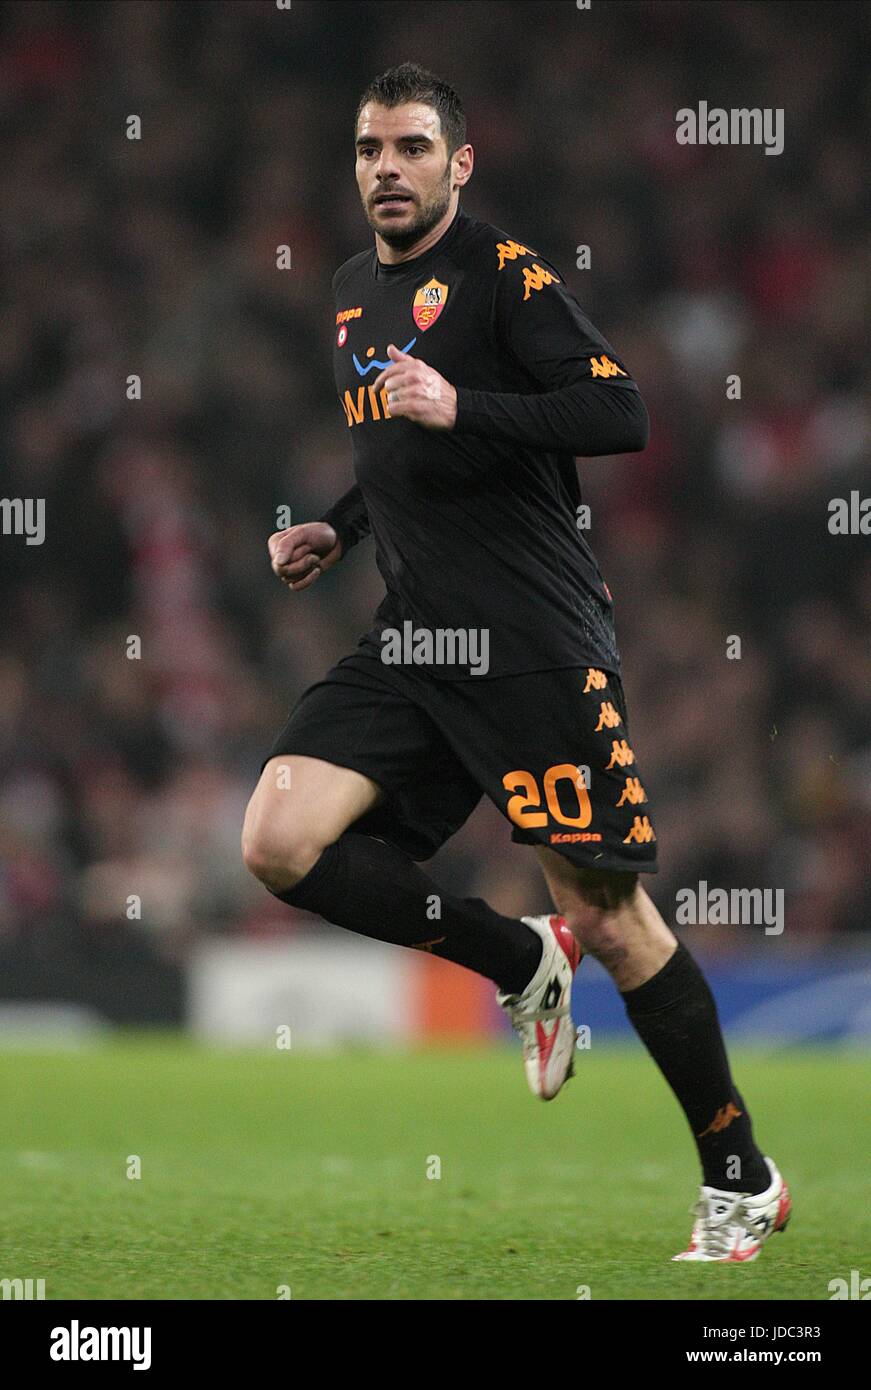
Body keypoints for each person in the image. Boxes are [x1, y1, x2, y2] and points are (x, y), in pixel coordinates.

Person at [242, 62, 790, 1263]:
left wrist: (467, 405)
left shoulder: (505, 277)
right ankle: (516, 959)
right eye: (369, 148)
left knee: (608, 910)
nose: (387, 168)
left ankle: (740, 1175)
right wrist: (342, 522)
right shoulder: (348, 292)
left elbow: (621, 411)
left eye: (411, 149)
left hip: (534, 645)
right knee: (279, 841)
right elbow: (402, 449)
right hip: (416, 638)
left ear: (458, 164)